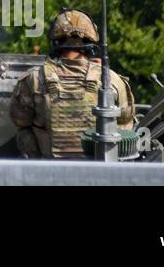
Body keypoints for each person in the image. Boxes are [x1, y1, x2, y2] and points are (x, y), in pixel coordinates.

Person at [10, 9, 135, 159]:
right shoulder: (111, 79)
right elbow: (126, 121)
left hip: (49, 166)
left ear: (56, 41)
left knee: (24, 133)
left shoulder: (35, 78)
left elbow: (20, 120)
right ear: (90, 42)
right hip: (98, 165)